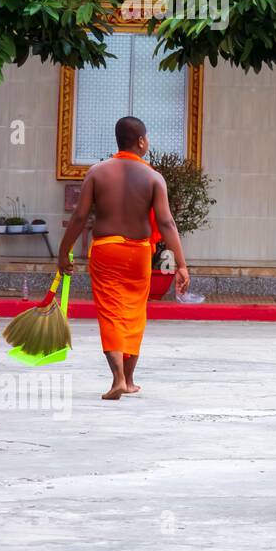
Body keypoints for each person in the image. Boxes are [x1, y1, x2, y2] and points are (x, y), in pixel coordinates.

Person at [57, 117, 189, 399]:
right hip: (138, 253)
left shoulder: (97, 172)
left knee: (110, 312)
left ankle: (118, 378)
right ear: (141, 141)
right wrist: (181, 263)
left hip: (106, 250)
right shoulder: (153, 177)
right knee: (133, 313)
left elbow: (80, 217)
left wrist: (63, 250)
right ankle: (128, 379)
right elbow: (167, 223)